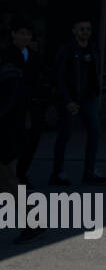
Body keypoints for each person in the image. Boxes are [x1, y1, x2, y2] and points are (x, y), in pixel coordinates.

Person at [51, 19, 106, 187]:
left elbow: (94, 72)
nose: (85, 32)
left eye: (88, 29)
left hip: (88, 98)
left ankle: (89, 172)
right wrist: (67, 100)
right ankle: (57, 173)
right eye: (81, 29)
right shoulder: (67, 51)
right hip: (70, 98)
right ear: (74, 31)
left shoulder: (92, 49)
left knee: (95, 132)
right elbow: (59, 77)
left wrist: (96, 93)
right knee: (64, 135)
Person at [2, 21, 46, 187]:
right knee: (10, 142)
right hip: (10, 106)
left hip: (30, 105)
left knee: (30, 139)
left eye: (28, 34)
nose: (25, 37)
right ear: (13, 34)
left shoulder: (34, 56)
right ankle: (11, 178)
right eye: (21, 33)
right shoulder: (5, 55)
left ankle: (21, 174)